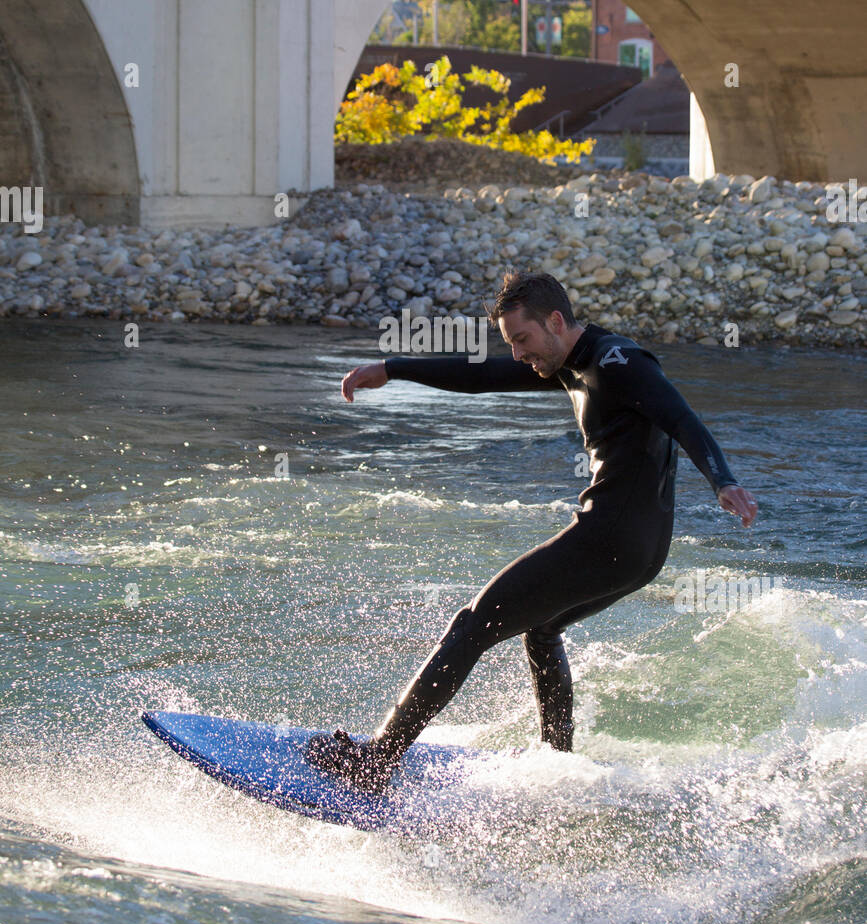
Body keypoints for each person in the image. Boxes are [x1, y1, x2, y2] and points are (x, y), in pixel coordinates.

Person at [305, 270, 758, 791]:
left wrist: (724, 481)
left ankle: (376, 764)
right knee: (541, 631)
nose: (519, 354)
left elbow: (683, 419)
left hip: (608, 538)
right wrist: (392, 368)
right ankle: (558, 766)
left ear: (556, 321)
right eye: (511, 342)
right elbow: (483, 377)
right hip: (641, 552)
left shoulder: (620, 364)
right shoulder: (570, 360)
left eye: (522, 339)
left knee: (471, 626)